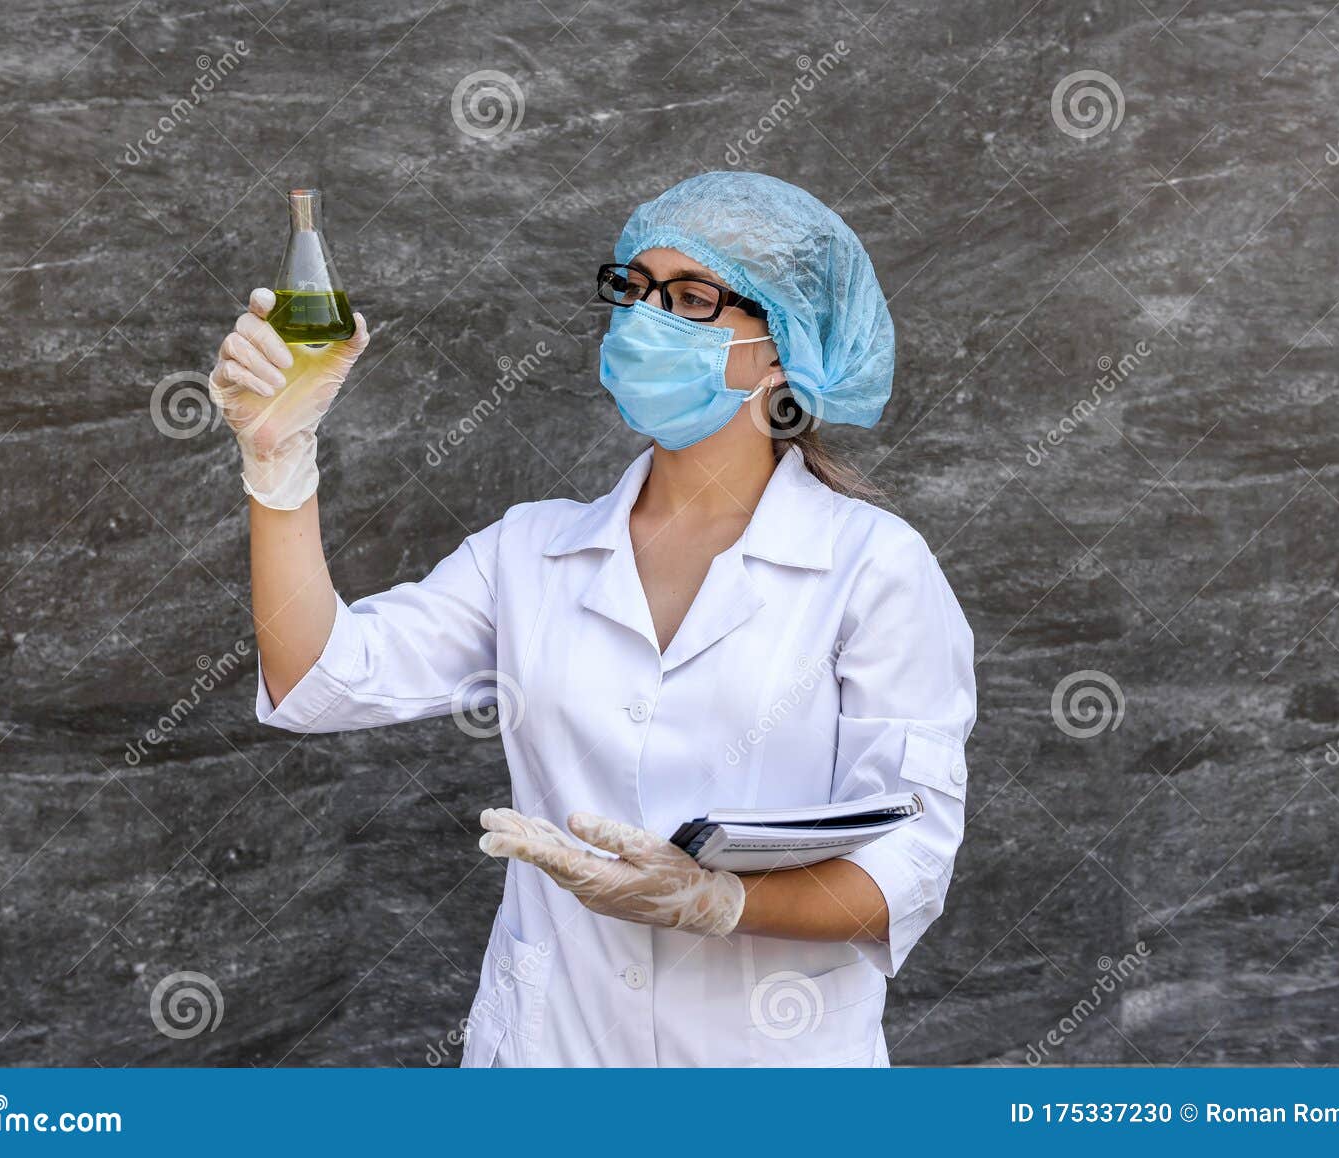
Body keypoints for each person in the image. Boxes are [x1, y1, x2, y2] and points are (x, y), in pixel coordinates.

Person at [206, 171, 976, 1067]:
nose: (648, 320)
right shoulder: (531, 552)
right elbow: (316, 679)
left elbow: (908, 866)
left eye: (692, 299)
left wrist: (715, 902)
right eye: (634, 290)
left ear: (781, 347)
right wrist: (277, 459)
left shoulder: (873, 566)